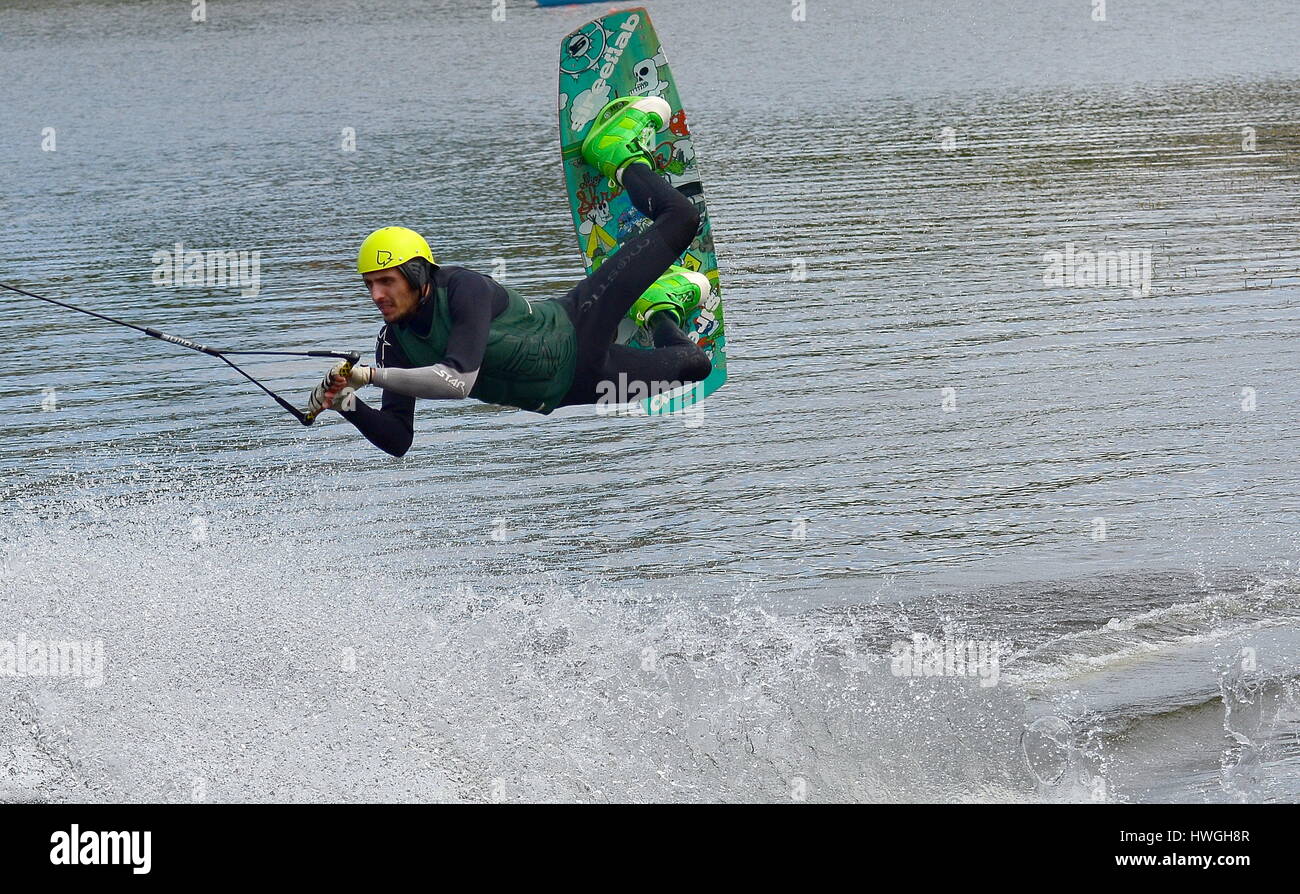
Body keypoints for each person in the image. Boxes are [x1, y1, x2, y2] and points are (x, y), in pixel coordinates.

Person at [307, 96, 713, 457]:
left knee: (682, 218)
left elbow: (457, 381)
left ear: (416, 274)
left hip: (578, 324)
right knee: (695, 365)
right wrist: (345, 401)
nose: (376, 294)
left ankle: (618, 153)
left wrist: (369, 376)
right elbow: (398, 439)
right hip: (571, 387)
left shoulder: (463, 288)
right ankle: (657, 307)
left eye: (386, 281)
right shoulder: (396, 343)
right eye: (370, 285)